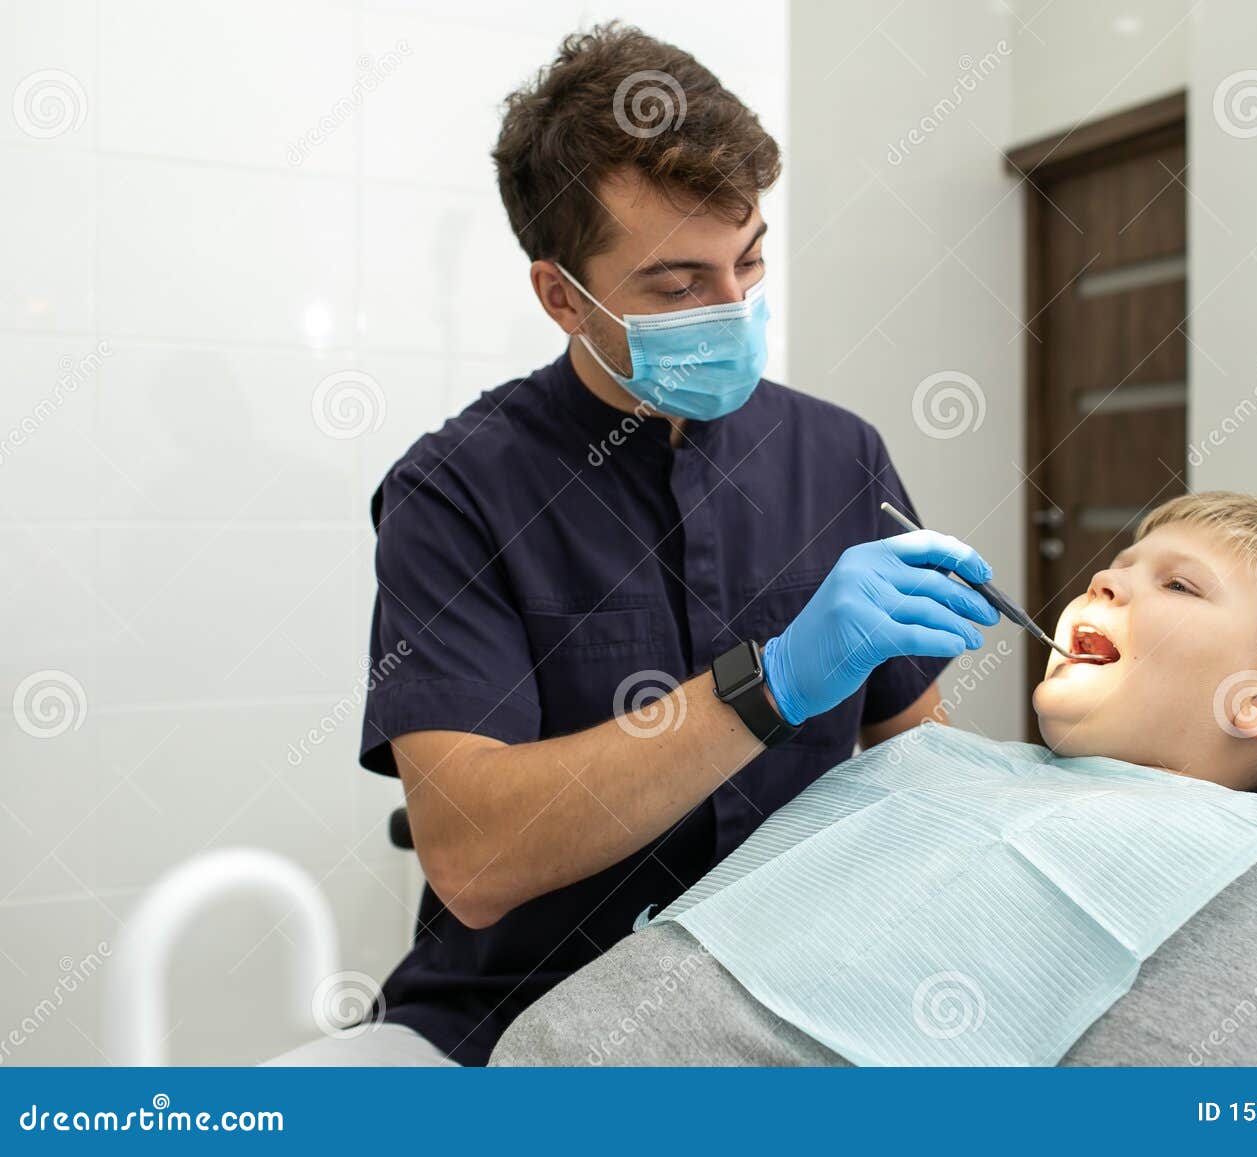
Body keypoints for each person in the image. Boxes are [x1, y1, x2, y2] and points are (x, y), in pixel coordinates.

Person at [264, 23, 999, 1067]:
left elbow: (915, 757)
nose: (734, 308)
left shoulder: (838, 454)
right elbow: (472, 855)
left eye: (748, 261)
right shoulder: (460, 490)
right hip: (516, 1023)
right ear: (562, 293)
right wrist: (767, 687)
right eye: (677, 285)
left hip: (795, 1007)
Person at [487, 492, 1257, 1066]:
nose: (1103, 587)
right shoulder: (942, 761)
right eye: (1110, 572)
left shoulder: (1237, 903)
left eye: (1179, 587)